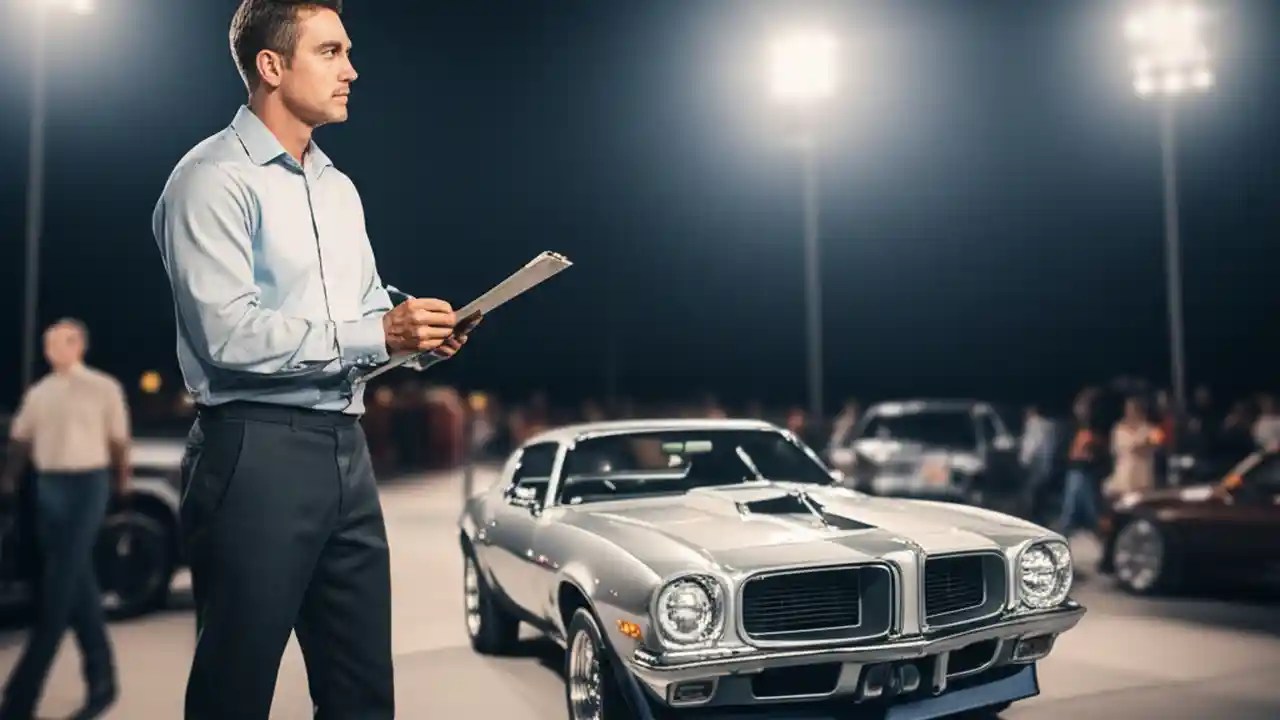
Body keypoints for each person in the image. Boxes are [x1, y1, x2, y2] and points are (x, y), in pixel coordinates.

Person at [150, 2, 480, 717]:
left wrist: (415, 344)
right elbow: (228, 337)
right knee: (234, 693)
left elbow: (360, 325)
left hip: (346, 454)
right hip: (253, 452)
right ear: (271, 66)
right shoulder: (209, 179)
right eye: (330, 52)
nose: (352, 70)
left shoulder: (338, 189)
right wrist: (377, 334)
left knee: (363, 693)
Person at [0, 319, 129, 720]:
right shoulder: (39, 393)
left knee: (57, 595)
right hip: (50, 487)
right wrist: (8, 482)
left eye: (63, 341)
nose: (55, 348)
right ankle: (103, 682)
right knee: (78, 587)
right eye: (50, 342)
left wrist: (120, 486)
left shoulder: (103, 387)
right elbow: (21, 441)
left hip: (89, 486)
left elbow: (118, 441)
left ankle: (19, 697)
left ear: (80, 345)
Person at [1105, 396, 1158, 498]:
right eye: (1128, 409)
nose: (1131, 412)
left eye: (1134, 409)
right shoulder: (1118, 429)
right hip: (1123, 480)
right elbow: (1115, 451)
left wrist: (1142, 446)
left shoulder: (1152, 429)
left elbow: (1156, 445)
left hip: (1143, 480)